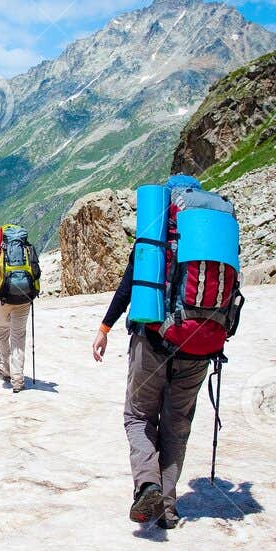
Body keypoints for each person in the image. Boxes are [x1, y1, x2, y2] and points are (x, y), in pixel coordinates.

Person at [91, 175, 213, 530]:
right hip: (199, 346)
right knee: (176, 426)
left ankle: (148, 485)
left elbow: (130, 283)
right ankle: (169, 507)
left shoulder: (159, 230)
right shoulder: (211, 238)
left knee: (139, 416)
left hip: (153, 340)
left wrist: (105, 327)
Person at [0, 225, 41, 393]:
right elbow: (36, 272)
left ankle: (5, 371)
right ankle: (18, 380)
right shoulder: (28, 248)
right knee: (18, 336)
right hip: (24, 299)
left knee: (1, 332)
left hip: (1, 299)